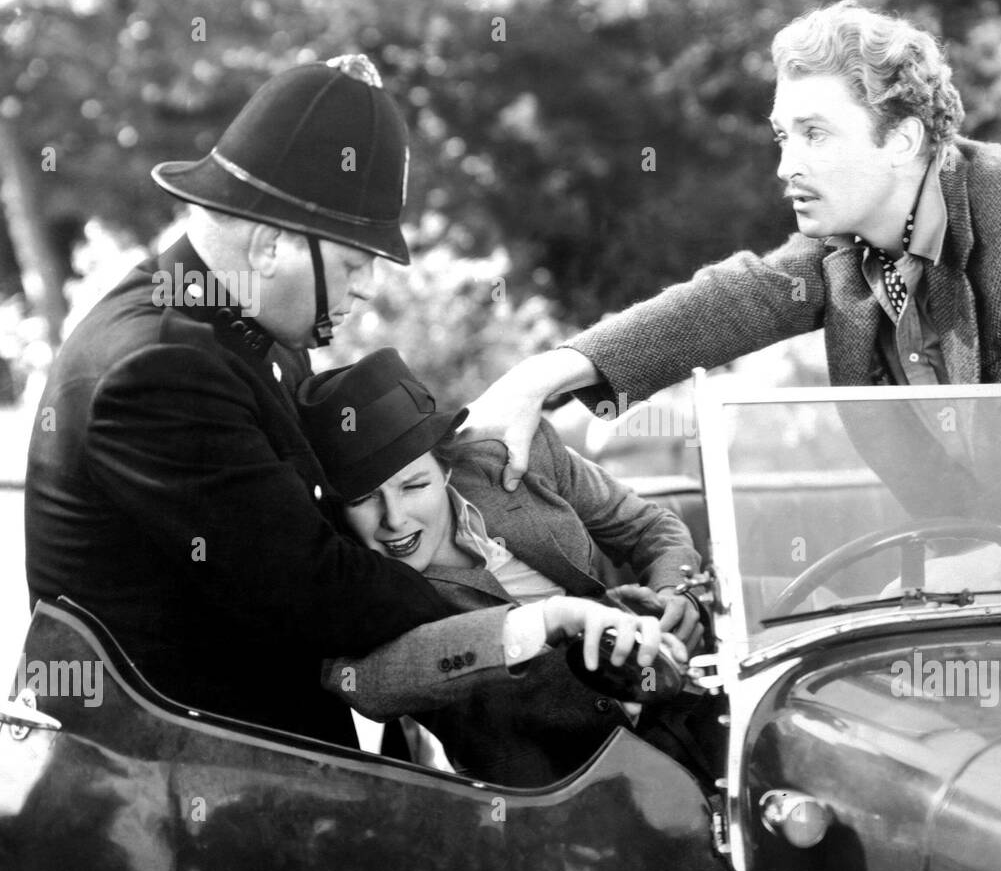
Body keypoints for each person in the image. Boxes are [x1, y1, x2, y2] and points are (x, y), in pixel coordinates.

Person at [462, 1, 1001, 585]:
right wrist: (543, 375)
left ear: (903, 139)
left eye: (814, 133)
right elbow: (728, 299)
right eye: (781, 136)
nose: (784, 165)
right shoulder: (847, 252)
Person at [25, 55, 670, 749]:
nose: (364, 289)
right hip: (174, 789)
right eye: (354, 262)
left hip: (248, 764)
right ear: (273, 245)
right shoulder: (157, 368)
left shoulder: (246, 329)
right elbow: (314, 590)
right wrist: (530, 614)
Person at [299, 348, 700, 785]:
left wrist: (676, 592)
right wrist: (547, 621)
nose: (394, 519)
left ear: (446, 465)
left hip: (676, 714)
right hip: (550, 796)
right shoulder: (342, 577)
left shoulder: (517, 455)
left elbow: (648, 526)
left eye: (414, 486)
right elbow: (365, 682)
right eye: (363, 498)